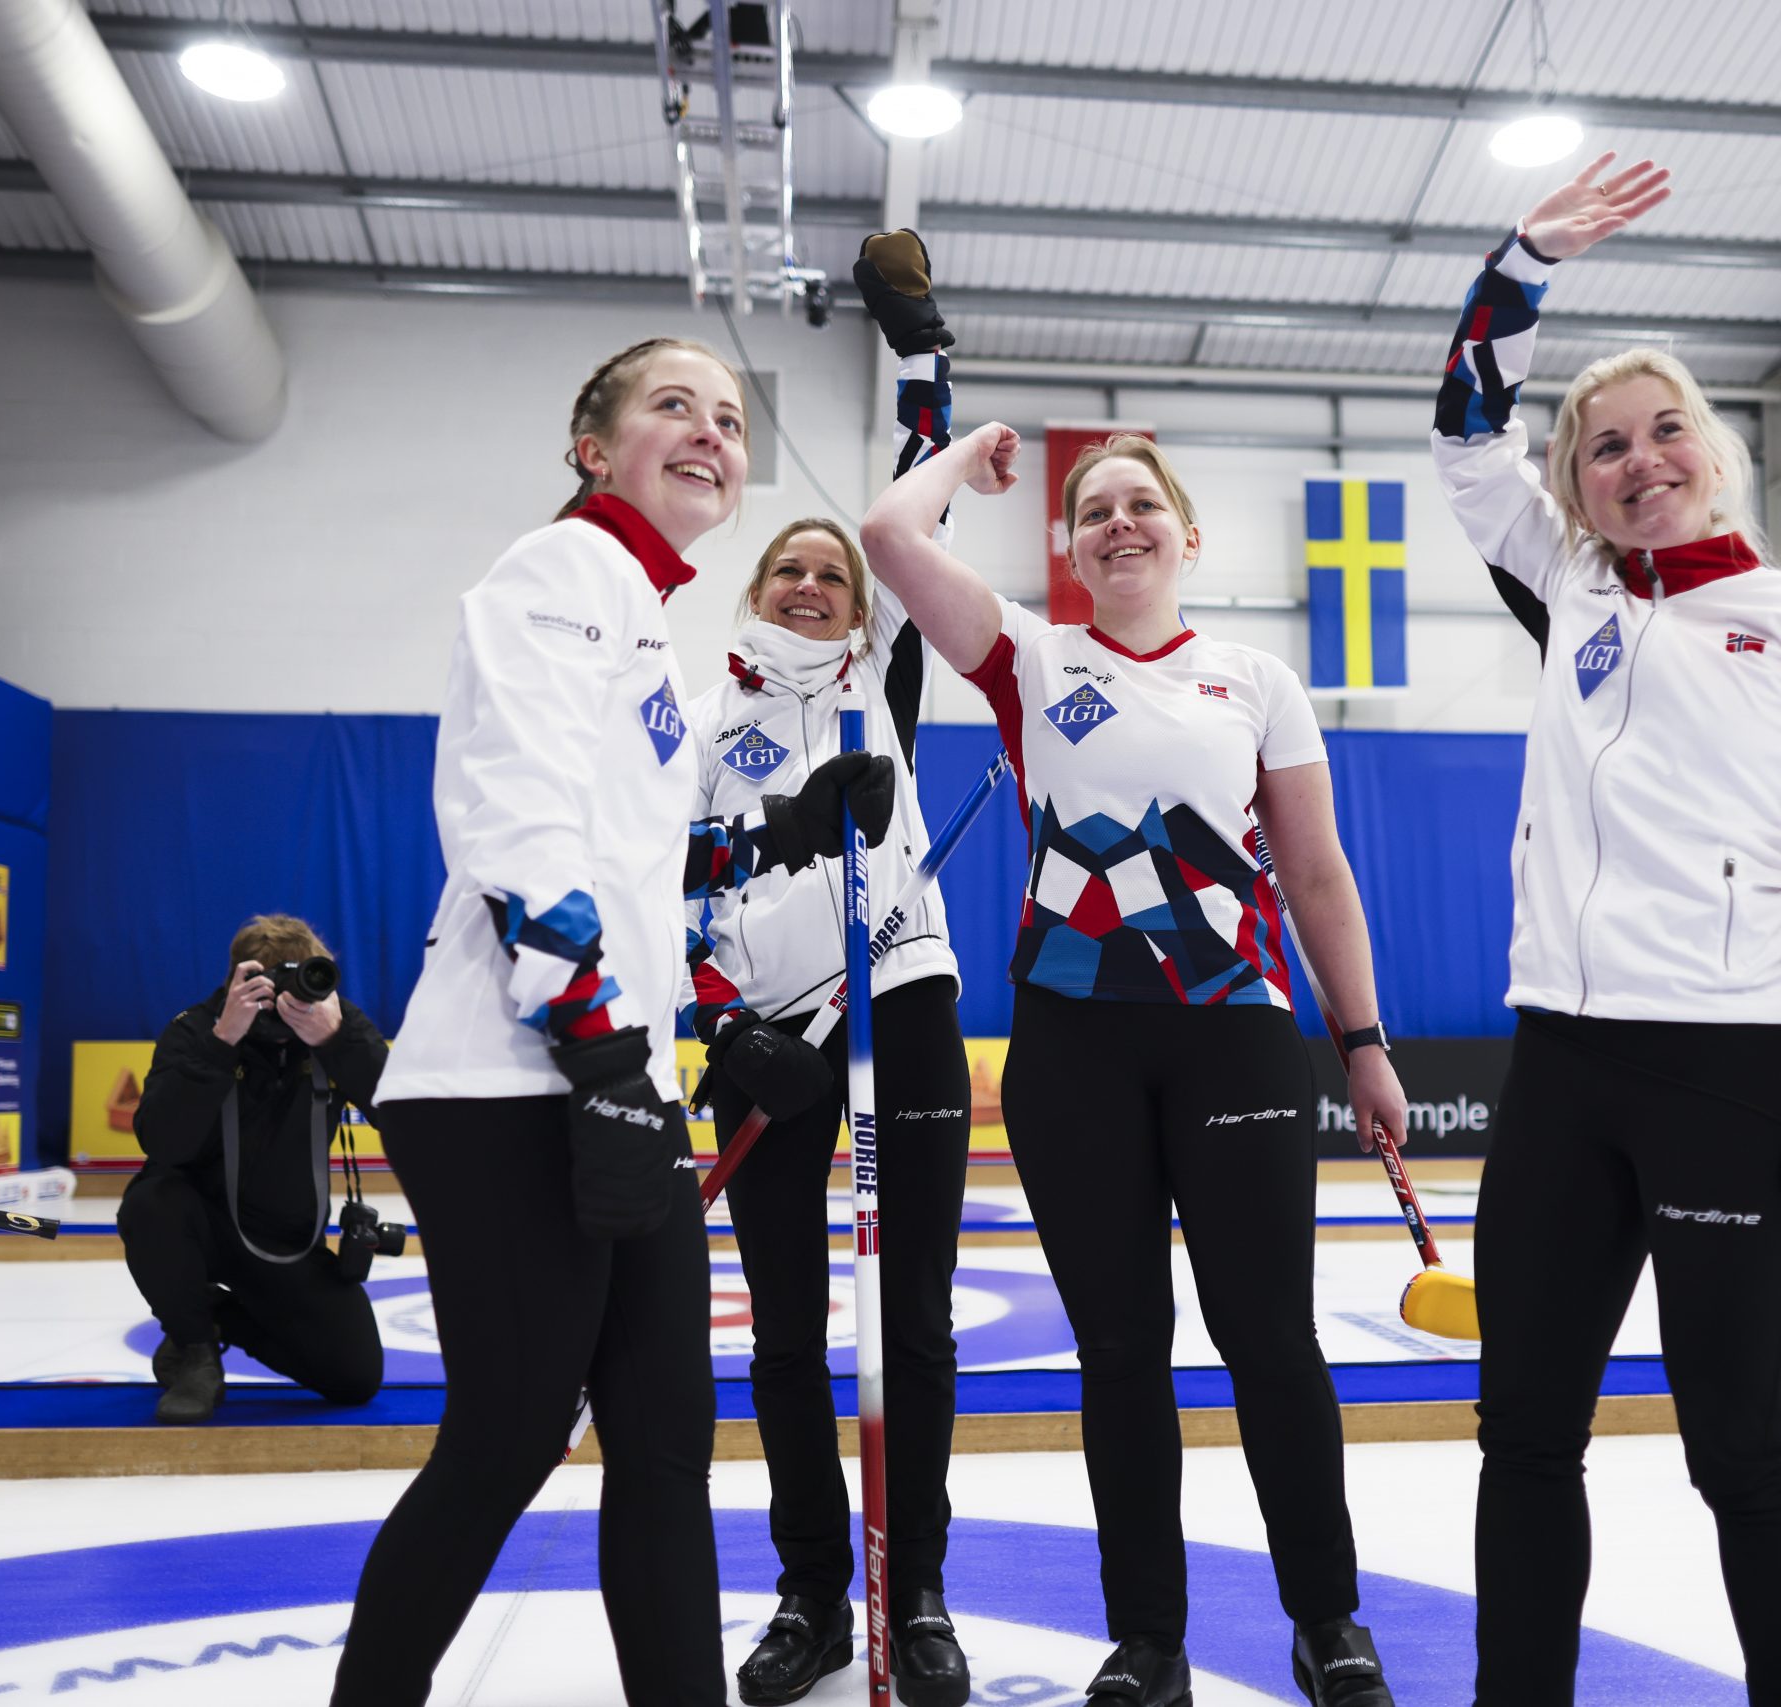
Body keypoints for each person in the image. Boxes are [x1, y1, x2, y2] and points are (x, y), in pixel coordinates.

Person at [1431, 156, 1781, 1706]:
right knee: (1524, 1433)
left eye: (1665, 427)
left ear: (1715, 453)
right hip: (1561, 1072)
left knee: (1741, 1447)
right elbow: (1468, 426)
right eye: (1602, 445)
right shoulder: (1571, 592)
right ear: (1576, 486)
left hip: (1739, 1078)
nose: (1637, 457)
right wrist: (1526, 257)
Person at [859, 236, 1411, 1707]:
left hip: (1237, 1039)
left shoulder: (1257, 679)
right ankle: (1147, 1639)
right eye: (1092, 509)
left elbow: (1316, 876)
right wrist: (959, 456)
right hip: (1072, 1050)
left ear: (1187, 538)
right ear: (1067, 548)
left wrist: (1362, 1038)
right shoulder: (1029, 659)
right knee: (1122, 1357)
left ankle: (1329, 1618)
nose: (1115, 524)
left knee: (1272, 1343)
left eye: (1140, 507)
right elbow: (887, 542)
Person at [331, 337, 892, 1707]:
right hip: (511, 1082)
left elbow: (632, 861)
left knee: (660, 1440)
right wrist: (599, 1057)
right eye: (671, 408)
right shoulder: (561, 572)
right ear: (593, 445)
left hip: (605, 1077)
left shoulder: (641, 610)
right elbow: (516, 823)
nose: (710, 432)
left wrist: (778, 834)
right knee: (510, 1429)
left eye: (728, 416)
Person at [681, 294, 973, 1701]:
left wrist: (923, 353)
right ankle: (810, 1588)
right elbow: (669, 889)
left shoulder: (884, 678)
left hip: (899, 999)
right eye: (789, 570)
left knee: (911, 1312)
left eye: (833, 574)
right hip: (762, 1041)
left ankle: (912, 1586)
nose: (812, 584)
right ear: (753, 594)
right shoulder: (700, 722)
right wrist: (723, 1028)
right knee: (788, 1328)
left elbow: (918, 502)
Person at [120, 913, 387, 1425]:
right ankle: (196, 1353)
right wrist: (222, 1044)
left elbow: (406, 1118)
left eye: (301, 978)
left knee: (354, 1377)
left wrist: (335, 1042)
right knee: (150, 1203)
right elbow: (162, 1142)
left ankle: (210, 1319)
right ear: (237, 981)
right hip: (202, 1224)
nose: (288, 998)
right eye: (270, 984)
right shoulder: (198, 1029)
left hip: (287, 1241)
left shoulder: (333, 1023)